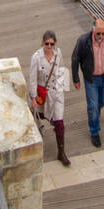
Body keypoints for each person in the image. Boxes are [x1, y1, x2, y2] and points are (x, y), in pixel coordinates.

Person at [71, 16, 104, 148]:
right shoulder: (83, 41)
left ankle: (95, 114)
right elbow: (75, 59)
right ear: (93, 30)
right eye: (98, 33)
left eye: (102, 33)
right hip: (91, 78)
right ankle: (94, 132)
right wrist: (76, 78)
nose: (100, 36)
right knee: (92, 106)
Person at [28, 29, 70, 167]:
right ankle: (34, 148)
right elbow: (32, 78)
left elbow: (62, 69)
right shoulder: (36, 57)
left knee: (59, 122)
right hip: (42, 95)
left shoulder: (58, 54)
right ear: (42, 43)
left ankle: (61, 152)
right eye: (47, 44)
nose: (49, 47)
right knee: (38, 117)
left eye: (52, 44)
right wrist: (33, 97)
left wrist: (62, 88)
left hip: (55, 93)